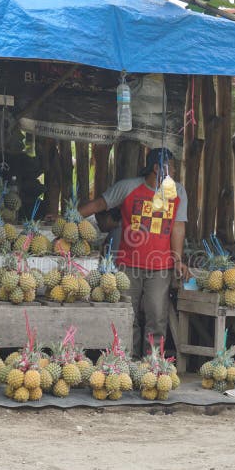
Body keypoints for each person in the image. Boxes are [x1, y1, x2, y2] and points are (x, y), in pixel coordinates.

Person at [79, 147, 188, 357]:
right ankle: (126, 360)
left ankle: (153, 363)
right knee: (127, 315)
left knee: (156, 316)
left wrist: (177, 259)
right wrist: (69, 217)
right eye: (171, 167)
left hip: (160, 267)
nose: (174, 172)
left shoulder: (178, 191)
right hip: (128, 264)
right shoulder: (128, 187)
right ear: (157, 168)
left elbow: (178, 226)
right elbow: (100, 204)